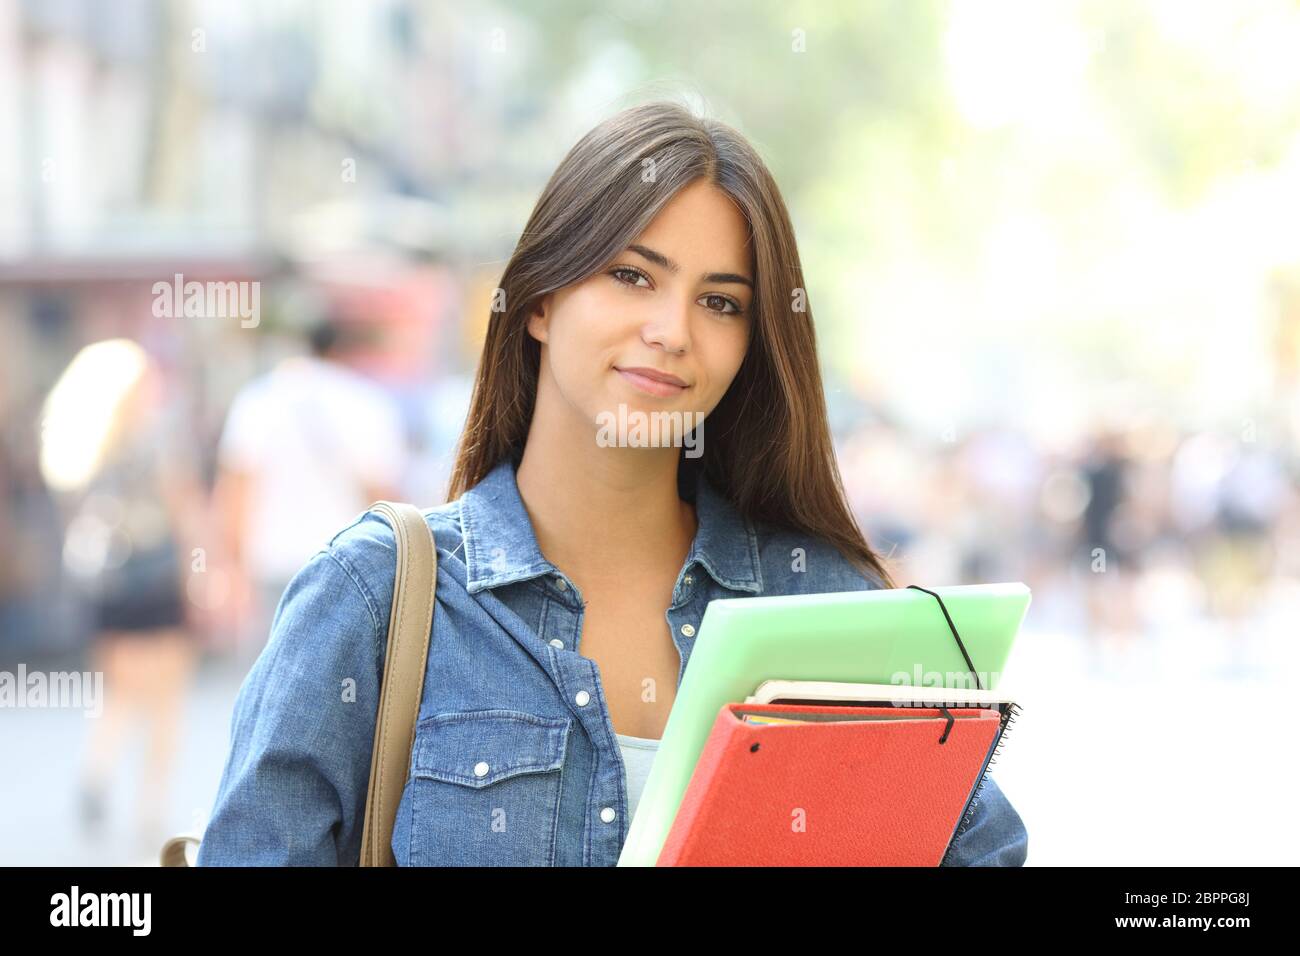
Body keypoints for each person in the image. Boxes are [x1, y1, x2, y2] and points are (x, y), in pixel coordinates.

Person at [197, 100, 1028, 866]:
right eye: (633, 275)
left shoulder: (822, 603)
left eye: (721, 302)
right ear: (539, 301)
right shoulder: (373, 597)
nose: (672, 331)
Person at [39, 339, 205, 857]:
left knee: (119, 691)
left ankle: (98, 768)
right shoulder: (157, 441)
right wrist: (200, 575)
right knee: (166, 699)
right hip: (155, 583)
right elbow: (184, 512)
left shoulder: (78, 445)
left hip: (105, 586)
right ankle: (151, 808)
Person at [213, 314, 406, 667]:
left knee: (271, 673)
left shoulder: (259, 399)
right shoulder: (366, 402)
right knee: (338, 674)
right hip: (347, 564)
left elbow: (235, 492)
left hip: (270, 563)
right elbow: (385, 500)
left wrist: (231, 569)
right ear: (342, 349)